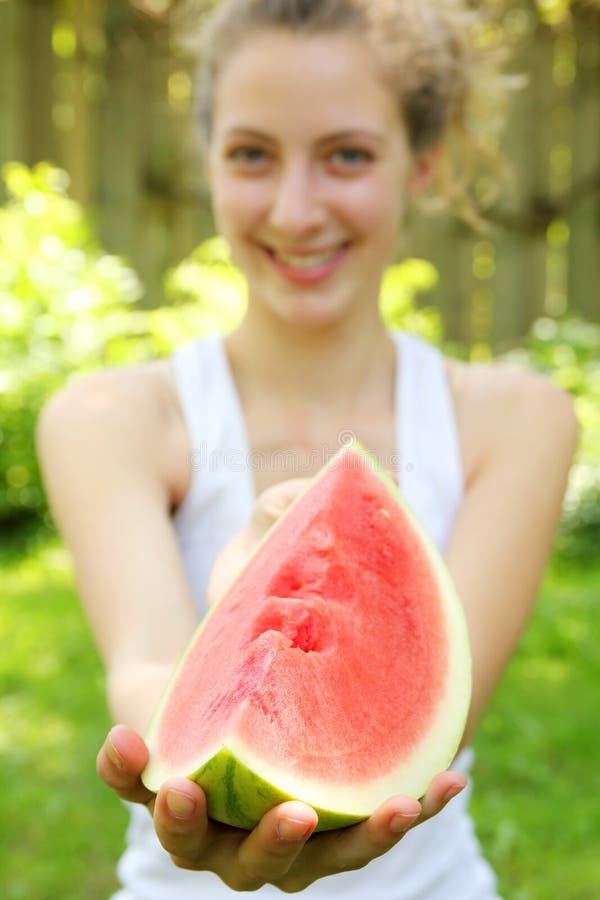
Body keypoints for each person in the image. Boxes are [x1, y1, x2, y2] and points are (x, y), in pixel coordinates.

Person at [36, 1, 580, 897]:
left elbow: (431, 715)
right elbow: (146, 670)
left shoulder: (518, 422)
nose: (295, 209)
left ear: (425, 166)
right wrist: (234, 628)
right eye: (252, 153)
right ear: (208, 165)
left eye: (348, 155)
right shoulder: (109, 419)